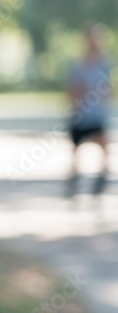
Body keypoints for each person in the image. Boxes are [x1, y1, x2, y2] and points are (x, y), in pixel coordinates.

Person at [65, 22, 112, 197]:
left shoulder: (104, 65)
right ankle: (74, 180)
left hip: (97, 116)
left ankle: (100, 181)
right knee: (75, 151)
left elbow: (108, 91)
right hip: (80, 115)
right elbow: (71, 90)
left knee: (104, 148)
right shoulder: (78, 65)